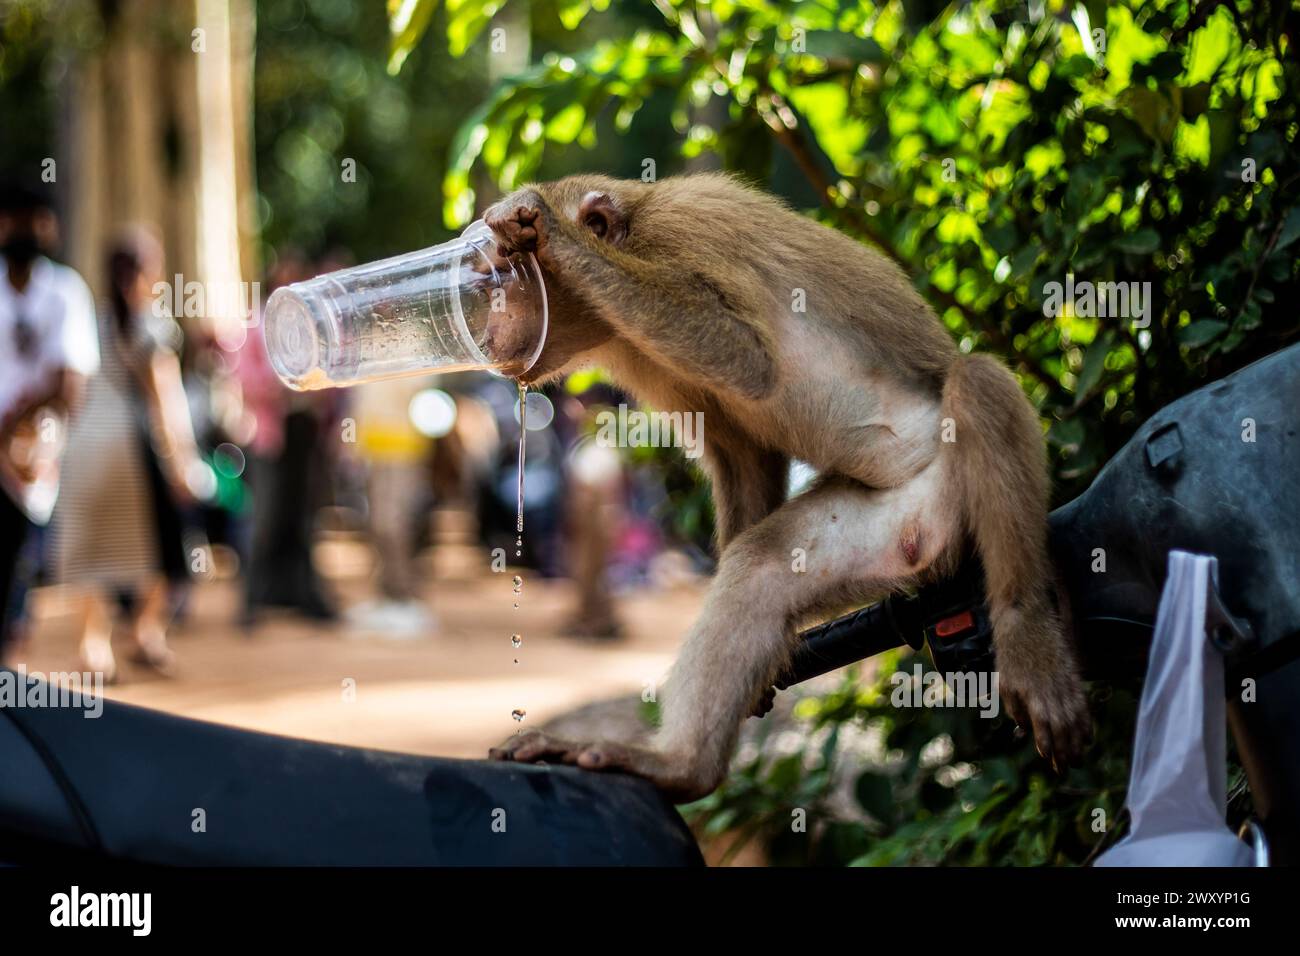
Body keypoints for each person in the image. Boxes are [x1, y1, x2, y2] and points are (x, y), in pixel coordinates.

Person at [49, 226, 202, 680]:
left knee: (91, 553)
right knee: (168, 548)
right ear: (149, 273)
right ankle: (144, 631)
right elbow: (166, 402)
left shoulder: (91, 321)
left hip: (82, 448)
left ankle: (93, 649)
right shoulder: (153, 328)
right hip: (133, 454)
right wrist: (183, 462)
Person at [0, 180, 98, 667]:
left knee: (22, 567)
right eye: (18, 219)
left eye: (40, 220)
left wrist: (17, 429)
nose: (29, 230)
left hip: (34, 459)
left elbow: (70, 388)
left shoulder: (65, 291)